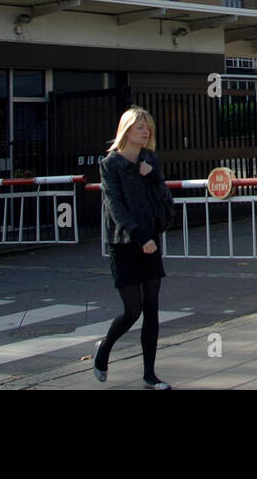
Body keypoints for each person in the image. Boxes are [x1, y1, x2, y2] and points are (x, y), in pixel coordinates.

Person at [93, 107, 173, 389]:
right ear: (126, 130)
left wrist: (152, 176)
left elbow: (164, 195)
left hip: (151, 237)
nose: (146, 131)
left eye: (147, 127)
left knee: (152, 306)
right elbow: (115, 206)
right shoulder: (110, 164)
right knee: (132, 310)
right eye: (140, 127)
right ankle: (104, 348)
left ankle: (150, 374)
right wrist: (140, 237)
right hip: (125, 242)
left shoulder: (149, 159)